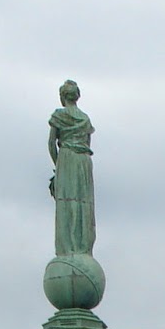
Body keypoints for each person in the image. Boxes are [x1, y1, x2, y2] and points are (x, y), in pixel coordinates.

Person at [48, 80, 95, 256]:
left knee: (66, 202)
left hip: (66, 158)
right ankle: (83, 247)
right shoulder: (85, 119)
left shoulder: (59, 116)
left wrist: (57, 167)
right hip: (83, 161)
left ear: (62, 97)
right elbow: (87, 144)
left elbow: (52, 144)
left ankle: (67, 248)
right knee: (84, 203)